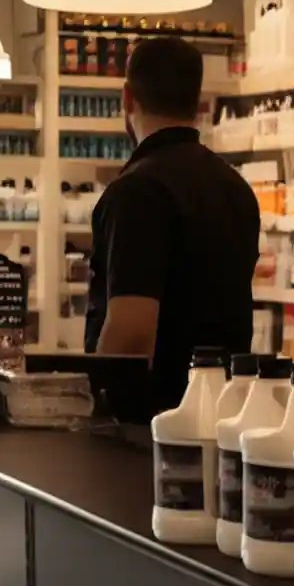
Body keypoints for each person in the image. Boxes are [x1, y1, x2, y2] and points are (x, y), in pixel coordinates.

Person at [85, 37, 260, 413]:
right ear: (197, 103)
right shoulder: (235, 187)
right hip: (224, 413)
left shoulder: (137, 191)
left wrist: (93, 407)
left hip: (153, 426)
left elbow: (131, 335)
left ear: (127, 99)